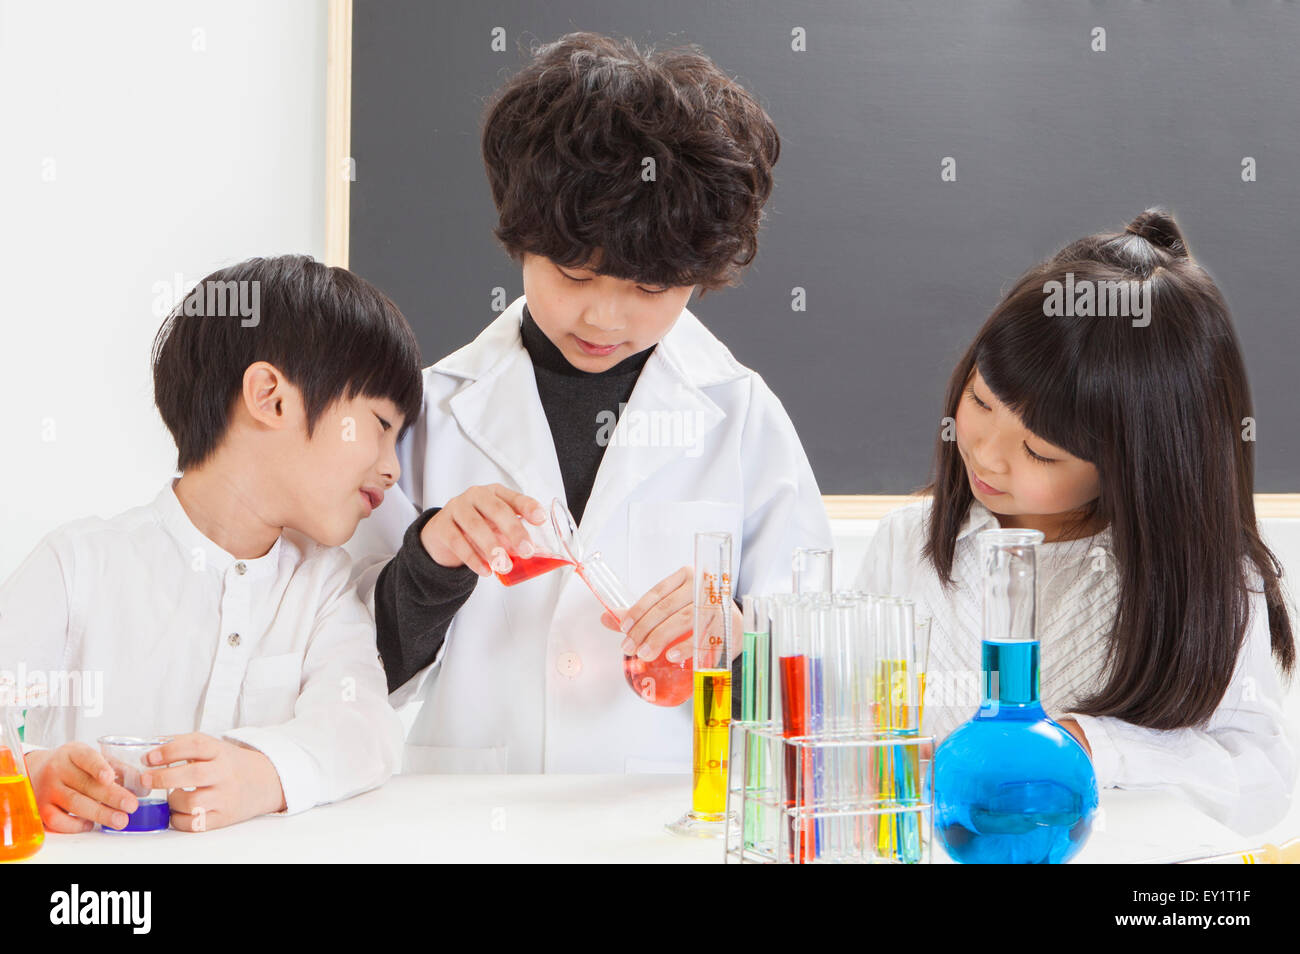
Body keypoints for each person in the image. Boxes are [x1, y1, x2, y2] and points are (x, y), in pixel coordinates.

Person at [346, 33, 833, 774]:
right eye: (574, 273)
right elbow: (352, 664)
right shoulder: (429, 412)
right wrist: (431, 560)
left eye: (650, 288)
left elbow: (819, 678)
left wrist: (735, 638)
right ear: (520, 240)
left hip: (667, 813)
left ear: (702, 274)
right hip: (468, 817)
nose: (605, 319)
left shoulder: (742, 418)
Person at [854, 209, 1296, 834]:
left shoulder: (1212, 581)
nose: (985, 453)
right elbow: (852, 747)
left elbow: (1262, 782)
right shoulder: (908, 546)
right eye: (980, 401)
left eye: (1040, 452)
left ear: (1136, 464)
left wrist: (1088, 743)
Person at [0, 255, 421, 832]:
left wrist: (259, 775)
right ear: (270, 397)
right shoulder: (79, 566)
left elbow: (365, 729)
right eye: (378, 425)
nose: (392, 468)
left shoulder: (323, 585)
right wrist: (34, 772)